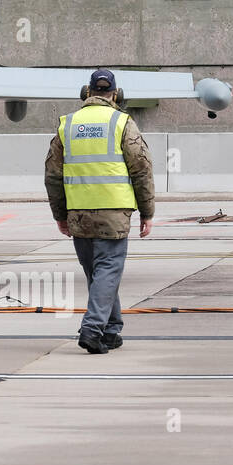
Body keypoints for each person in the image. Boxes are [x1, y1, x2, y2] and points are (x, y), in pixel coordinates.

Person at [45, 68, 154, 354]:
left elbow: (53, 175)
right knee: (107, 270)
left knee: (99, 273)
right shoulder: (122, 122)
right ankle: (92, 329)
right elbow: (141, 169)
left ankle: (111, 329)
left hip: (78, 211)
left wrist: (59, 214)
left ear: (87, 92)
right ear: (115, 94)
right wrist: (147, 212)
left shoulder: (67, 124)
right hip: (113, 210)